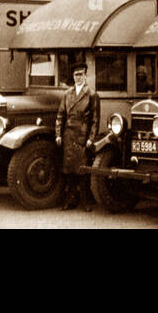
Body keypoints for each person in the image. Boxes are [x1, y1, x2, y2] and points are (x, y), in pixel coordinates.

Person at [54, 62, 100, 211]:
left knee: (82, 170)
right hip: (68, 135)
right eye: (75, 74)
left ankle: (85, 202)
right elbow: (61, 115)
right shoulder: (68, 93)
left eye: (80, 74)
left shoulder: (92, 94)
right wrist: (58, 134)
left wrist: (91, 139)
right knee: (69, 171)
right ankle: (70, 200)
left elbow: (95, 119)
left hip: (82, 136)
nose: (78, 77)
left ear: (85, 76)